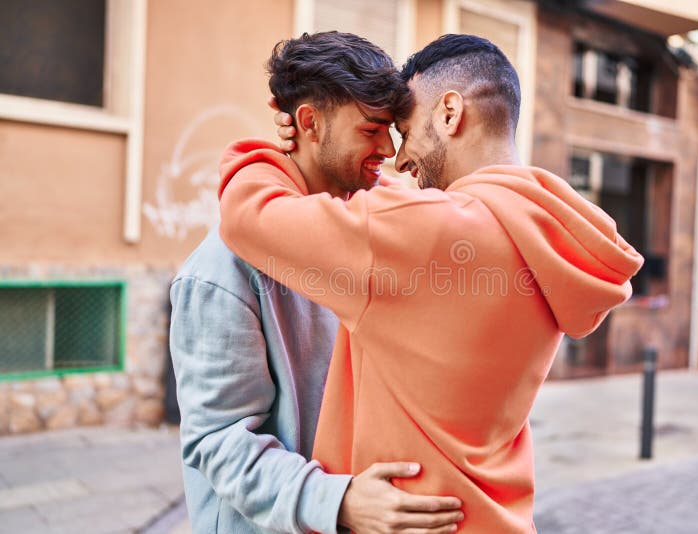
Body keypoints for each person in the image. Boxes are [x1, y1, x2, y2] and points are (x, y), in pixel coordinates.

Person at [218, 34, 644, 533]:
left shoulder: (417, 232)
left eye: (404, 128)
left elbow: (248, 214)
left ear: (449, 114)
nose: (396, 159)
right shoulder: (548, 235)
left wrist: (278, 152)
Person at [169, 32, 463, 534]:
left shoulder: (363, 228)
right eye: (371, 130)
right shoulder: (220, 271)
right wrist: (339, 501)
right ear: (309, 122)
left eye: (391, 130)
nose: (388, 150)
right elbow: (217, 441)